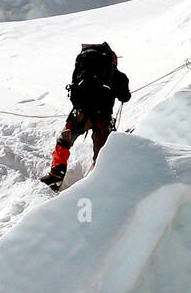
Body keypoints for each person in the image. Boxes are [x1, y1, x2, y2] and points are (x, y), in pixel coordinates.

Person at [42, 42, 131, 191]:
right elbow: (125, 97)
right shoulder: (117, 75)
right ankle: (99, 179)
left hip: (80, 113)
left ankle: (56, 174)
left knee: (64, 141)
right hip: (103, 116)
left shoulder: (83, 65)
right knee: (102, 150)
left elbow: (74, 83)